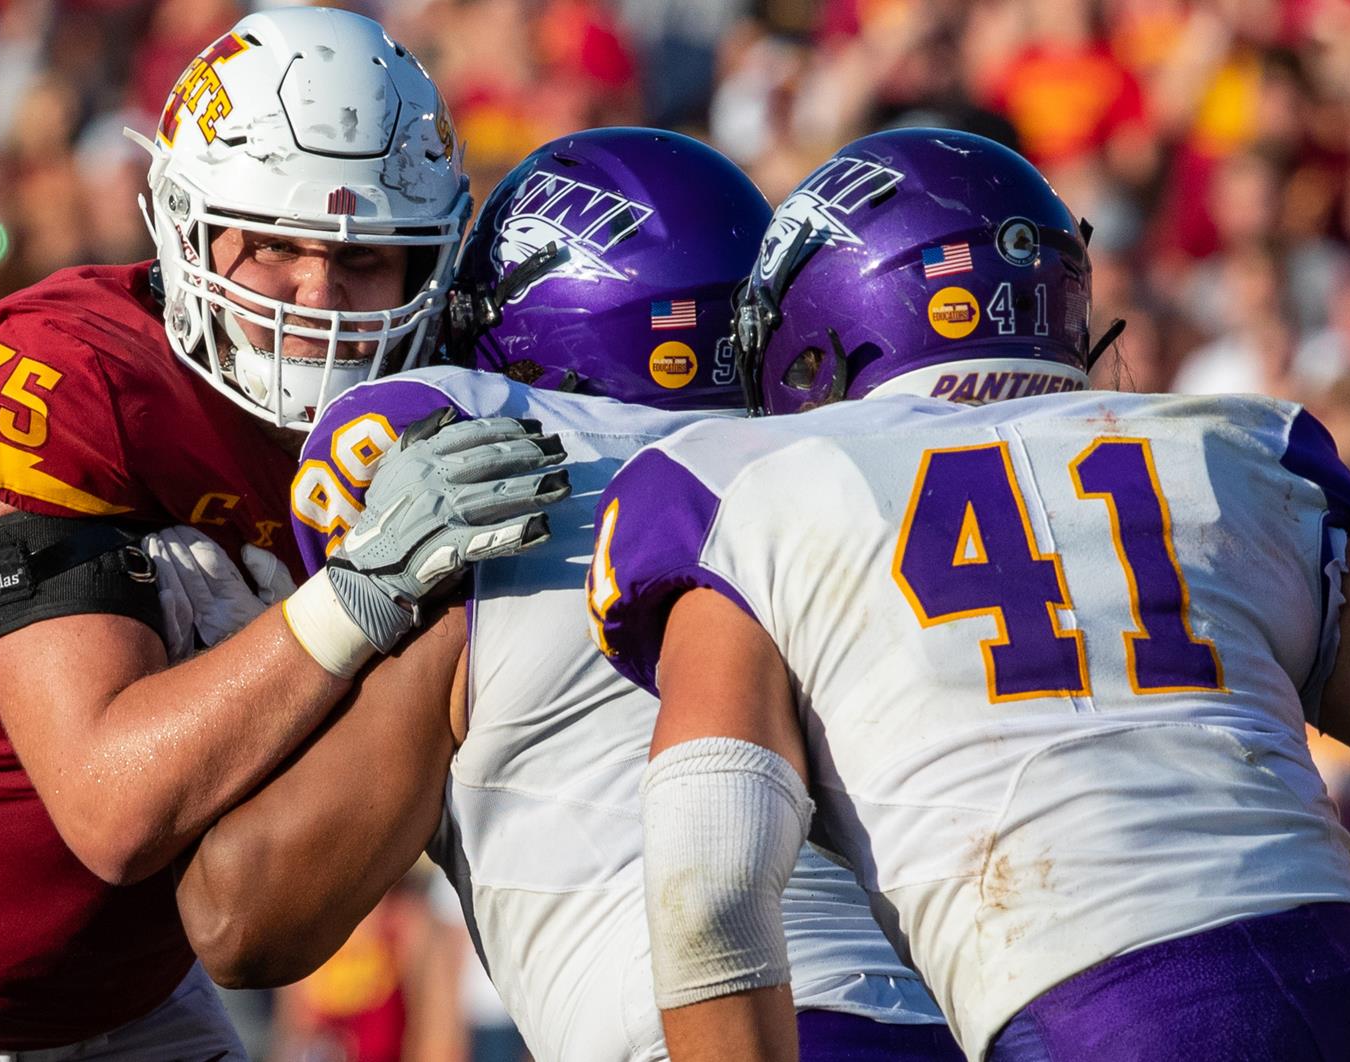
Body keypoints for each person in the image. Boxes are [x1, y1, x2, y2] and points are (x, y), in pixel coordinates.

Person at [0, 8, 566, 1059]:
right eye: (272, 248)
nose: (317, 298)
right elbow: (113, 808)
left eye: (364, 258)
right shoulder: (75, 383)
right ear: (185, 228)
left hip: (108, 1005)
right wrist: (360, 591)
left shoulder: (429, 405)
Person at [586, 128, 1350, 1061]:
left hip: (1097, 1014)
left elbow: (709, 876)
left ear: (817, 332)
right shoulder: (1217, 449)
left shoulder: (752, 485)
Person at [173, 128, 961, 1061]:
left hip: (705, 1031)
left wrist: (335, 624)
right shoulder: (846, 489)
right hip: (949, 1021)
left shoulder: (496, 518)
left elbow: (241, 921)